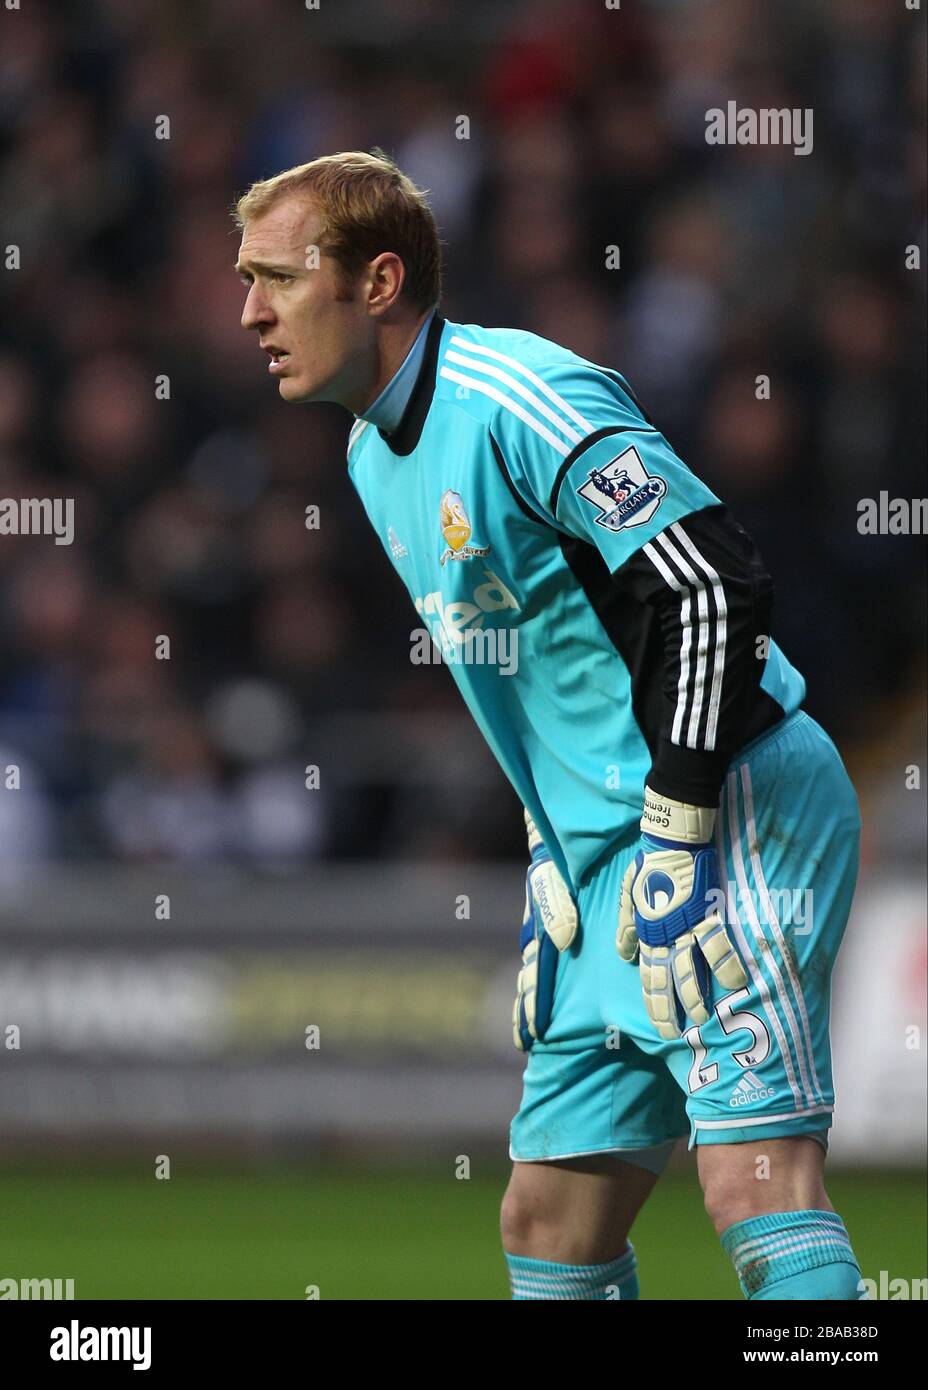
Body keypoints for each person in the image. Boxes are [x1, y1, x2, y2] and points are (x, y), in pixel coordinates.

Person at [233, 150, 864, 1301]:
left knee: (755, 1177)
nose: (249, 313)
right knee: (550, 1214)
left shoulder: (522, 396)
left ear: (377, 282)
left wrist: (673, 835)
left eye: (275, 277)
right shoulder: (374, 456)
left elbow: (712, 587)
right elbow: (542, 667)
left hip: (731, 801)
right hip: (603, 856)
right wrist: (548, 850)